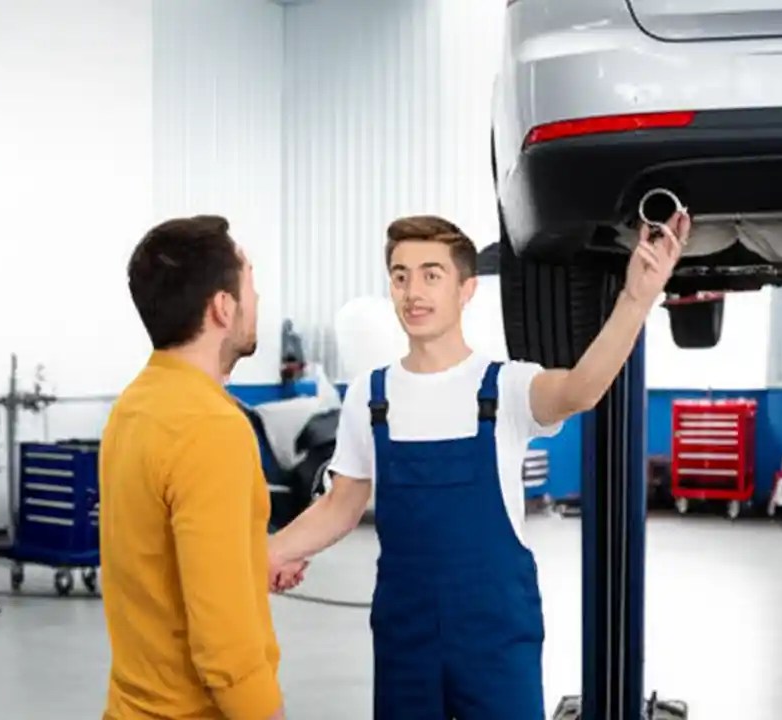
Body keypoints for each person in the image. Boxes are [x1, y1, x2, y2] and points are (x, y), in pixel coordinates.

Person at [266, 212, 688, 719]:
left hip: (495, 635)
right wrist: (263, 555)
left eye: (431, 274)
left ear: (465, 289)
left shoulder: (505, 387)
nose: (413, 292)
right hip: (406, 637)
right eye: (400, 276)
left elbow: (580, 389)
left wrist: (636, 299)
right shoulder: (370, 397)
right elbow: (340, 507)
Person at [99, 215, 288, 720]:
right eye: (251, 284)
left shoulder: (134, 407)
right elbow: (224, 639)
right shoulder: (211, 427)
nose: (258, 301)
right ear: (223, 308)